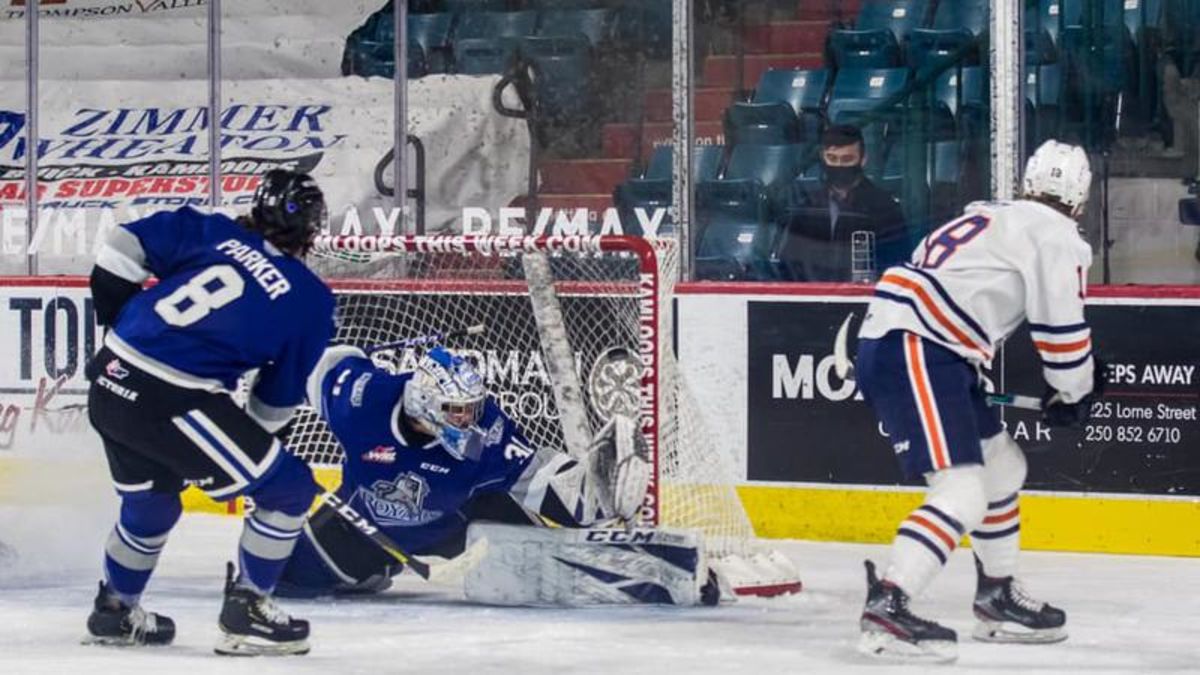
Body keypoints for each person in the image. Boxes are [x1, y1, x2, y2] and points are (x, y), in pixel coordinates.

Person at [851, 140, 1104, 662]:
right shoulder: (1057, 236)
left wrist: (1066, 386)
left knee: (1002, 469)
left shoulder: (991, 216)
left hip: (919, 343)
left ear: (1029, 183)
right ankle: (890, 602)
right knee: (962, 492)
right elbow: (1060, 332)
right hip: (920, 347)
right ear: (1080, 197)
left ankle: (997, 597)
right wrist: (1075, 390)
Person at [84, 170, 334, 656]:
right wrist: (251, 451)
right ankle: (249, 611)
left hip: (109, 380)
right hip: (170, 397)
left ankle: (115, 610)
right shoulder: (309, 298)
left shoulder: (211, 230)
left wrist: (123, 322)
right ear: (310, 229)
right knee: (289, 488)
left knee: (152, 503)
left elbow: (120, 246)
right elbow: (275, 401)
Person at [274, 343, 665, 602]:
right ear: (424, 403)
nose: (467, 419)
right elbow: (318, 366)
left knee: (550, 568)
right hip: (366, 526)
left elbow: (538, 475)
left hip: (464, 524)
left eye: (471, 408)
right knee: (281, 576)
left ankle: (641, 571)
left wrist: (597, 498)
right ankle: (374, 566)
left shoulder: (486, 435)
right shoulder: (362, 399)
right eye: (455, 410)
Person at [778, 124, 908, 281]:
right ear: (822, 157)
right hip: (813, 298)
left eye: (847, 159)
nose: (839, 166)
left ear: (863, 159)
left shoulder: (884, 208)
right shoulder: (808, 207)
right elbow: (789, 265)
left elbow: (896, 266)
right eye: (832, 159)